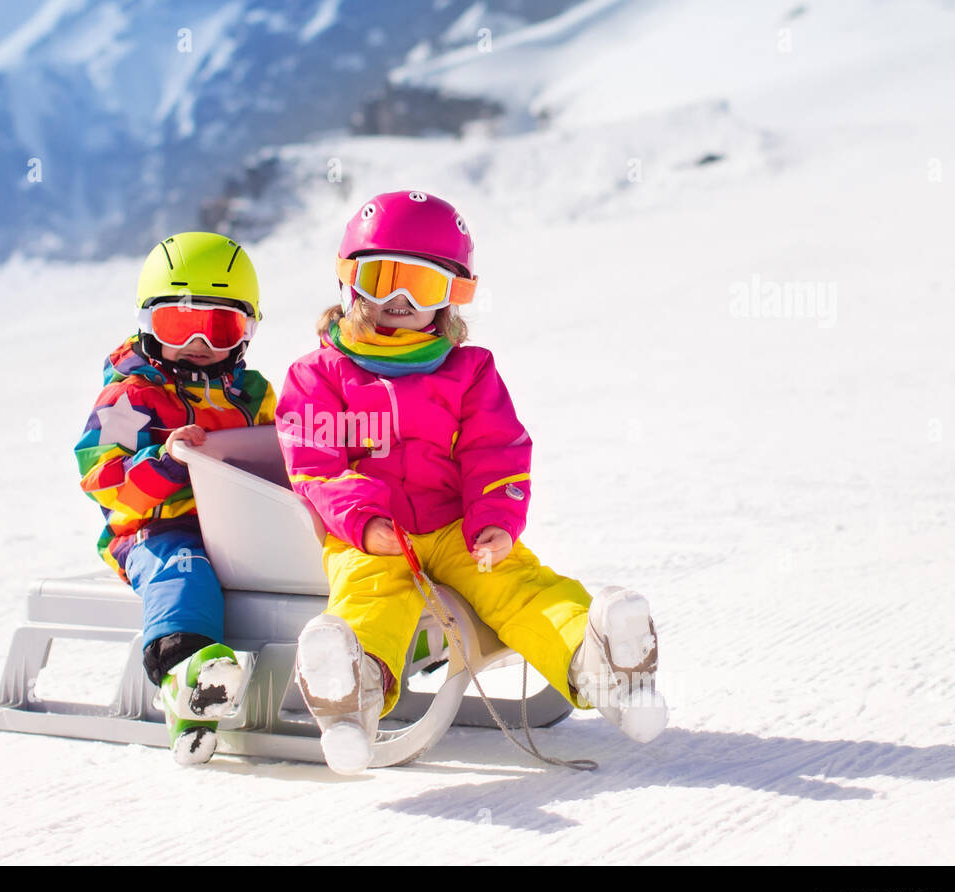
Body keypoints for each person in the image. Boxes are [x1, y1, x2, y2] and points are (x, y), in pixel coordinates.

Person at [275, 190, 667, 775]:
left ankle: (598, 662)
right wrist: (365, 522)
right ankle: (352, 691)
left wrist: (496, 523)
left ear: (454, 295)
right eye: (382, 278)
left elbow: (496, 449)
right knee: (372, 594)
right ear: (349, 281)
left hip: (457, 526)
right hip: (374, 536)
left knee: (518, 584)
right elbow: (317, 466)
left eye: (423, 285)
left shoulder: (469, 370)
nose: (400, 300)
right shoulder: (316, 375)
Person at [75, 232, 277, 765]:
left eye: (219, 327)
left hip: (240, 526)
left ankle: (368, 652)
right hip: (154, 532)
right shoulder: (130, 397)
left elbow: (282, 454)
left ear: (245, 333)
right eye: (178, 324)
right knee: (184, 568)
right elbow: (104, 482)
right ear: (147, 324)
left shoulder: (252, 395)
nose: (199, 344)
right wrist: (162, 464)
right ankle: (185, 674)